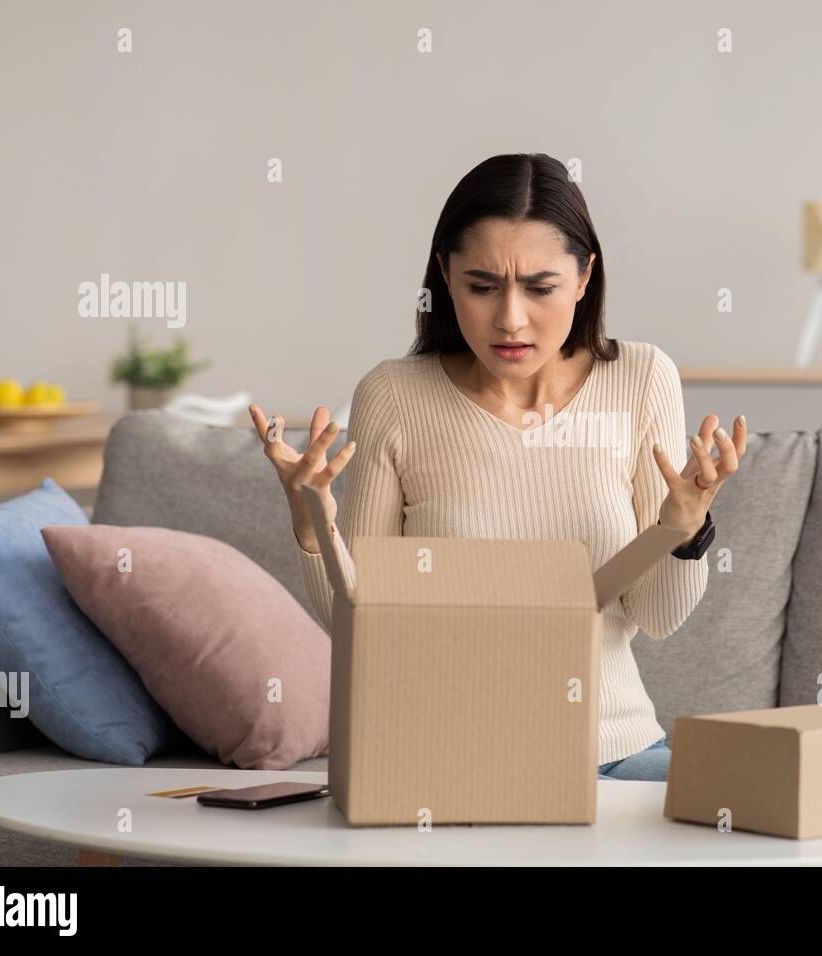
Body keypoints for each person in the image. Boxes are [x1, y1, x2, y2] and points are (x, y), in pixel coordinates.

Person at [250, 152, 745, 781]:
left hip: (614, 753)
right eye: (482, 286)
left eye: (541, 288)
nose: (510, 318)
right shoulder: (394, 395)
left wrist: (683, 530)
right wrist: (310, 520)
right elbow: (364, 627)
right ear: (445, 275)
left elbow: (660, 617)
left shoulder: (642, 379)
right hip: (450, 765)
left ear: (585, 276)